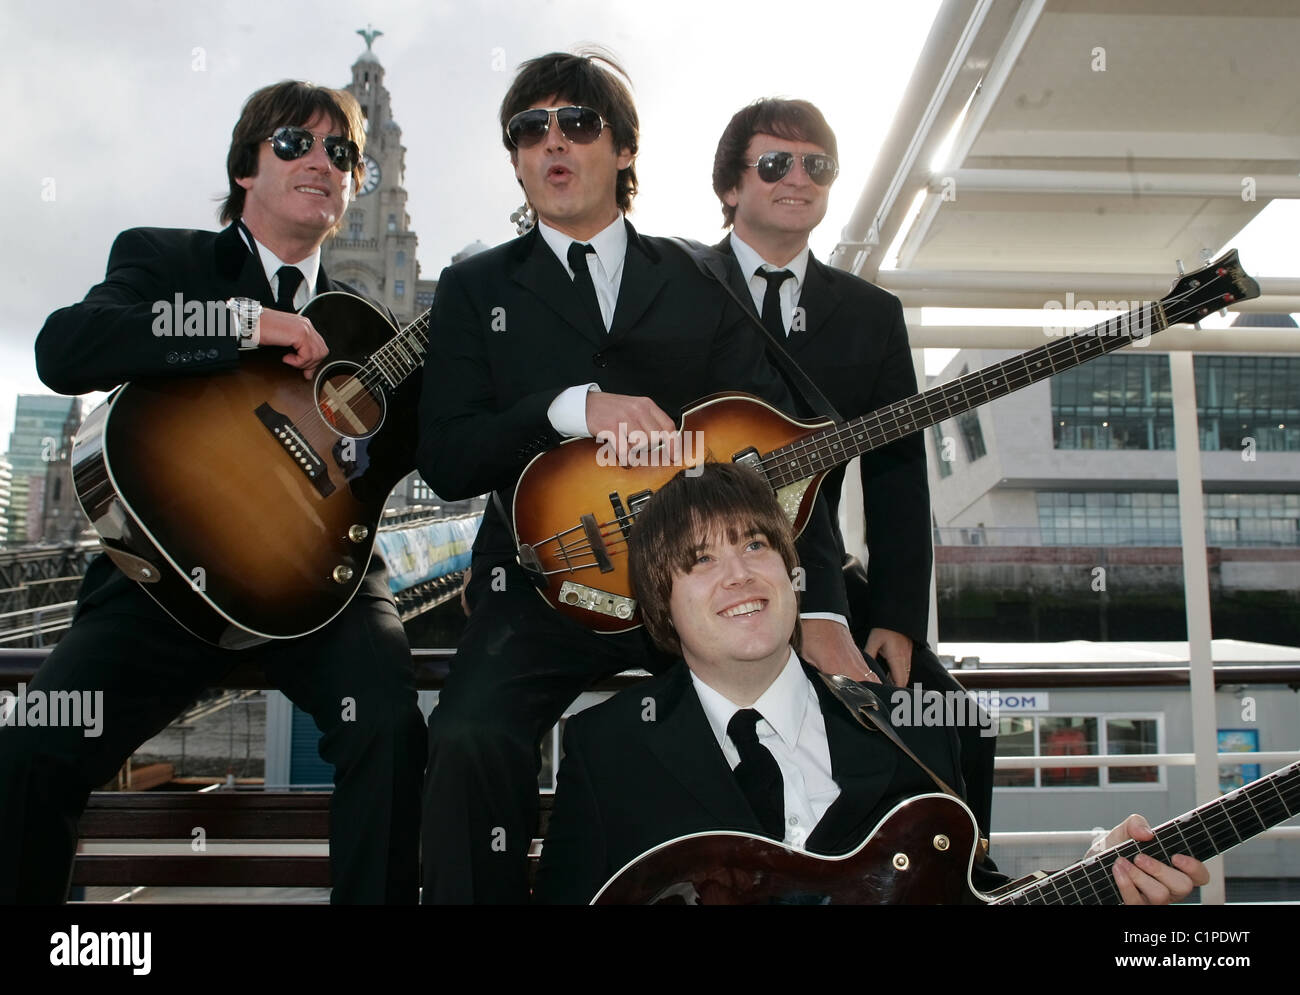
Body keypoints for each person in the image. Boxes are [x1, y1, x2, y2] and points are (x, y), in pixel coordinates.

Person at [416, 52, 858, 904]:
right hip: (533, 588)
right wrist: (567, 406)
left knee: (765, 732)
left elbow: (794, 447)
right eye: (529, 129)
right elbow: (447, 456)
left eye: (578, 123)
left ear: (624, 151)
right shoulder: (474, 288)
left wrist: (825, 603)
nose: (553, 141)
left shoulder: (699, 273)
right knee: (468, 739)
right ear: (513, 157)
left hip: (687, 586)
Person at [1, 81, 426, 904]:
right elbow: (65, 348)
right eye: (295, 145)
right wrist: (242, 323)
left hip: (318, 593)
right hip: (164, 588)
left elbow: (439, 461)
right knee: (29, 751)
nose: (322, 164)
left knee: (391, 730)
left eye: (342, 154)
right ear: (245, 167)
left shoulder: (377, 324)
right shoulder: (168, 259)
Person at [534, 462, 1211, 905]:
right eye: (699, 560)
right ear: (660, 602)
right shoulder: (606, 749)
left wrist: (1102, 880)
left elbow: (973, 893)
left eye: (755, 545)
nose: (738, 574)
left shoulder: (916, 725)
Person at [709, 97, 996, 836]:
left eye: (817, 165)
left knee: (958, 722)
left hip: (832, 570)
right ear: (731, 187)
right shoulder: (676, 288)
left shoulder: (872, 313)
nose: (798, 177)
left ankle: (960, 883)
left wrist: (899, 620)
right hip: (703, 575)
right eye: (774, 163)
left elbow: (898, 473)